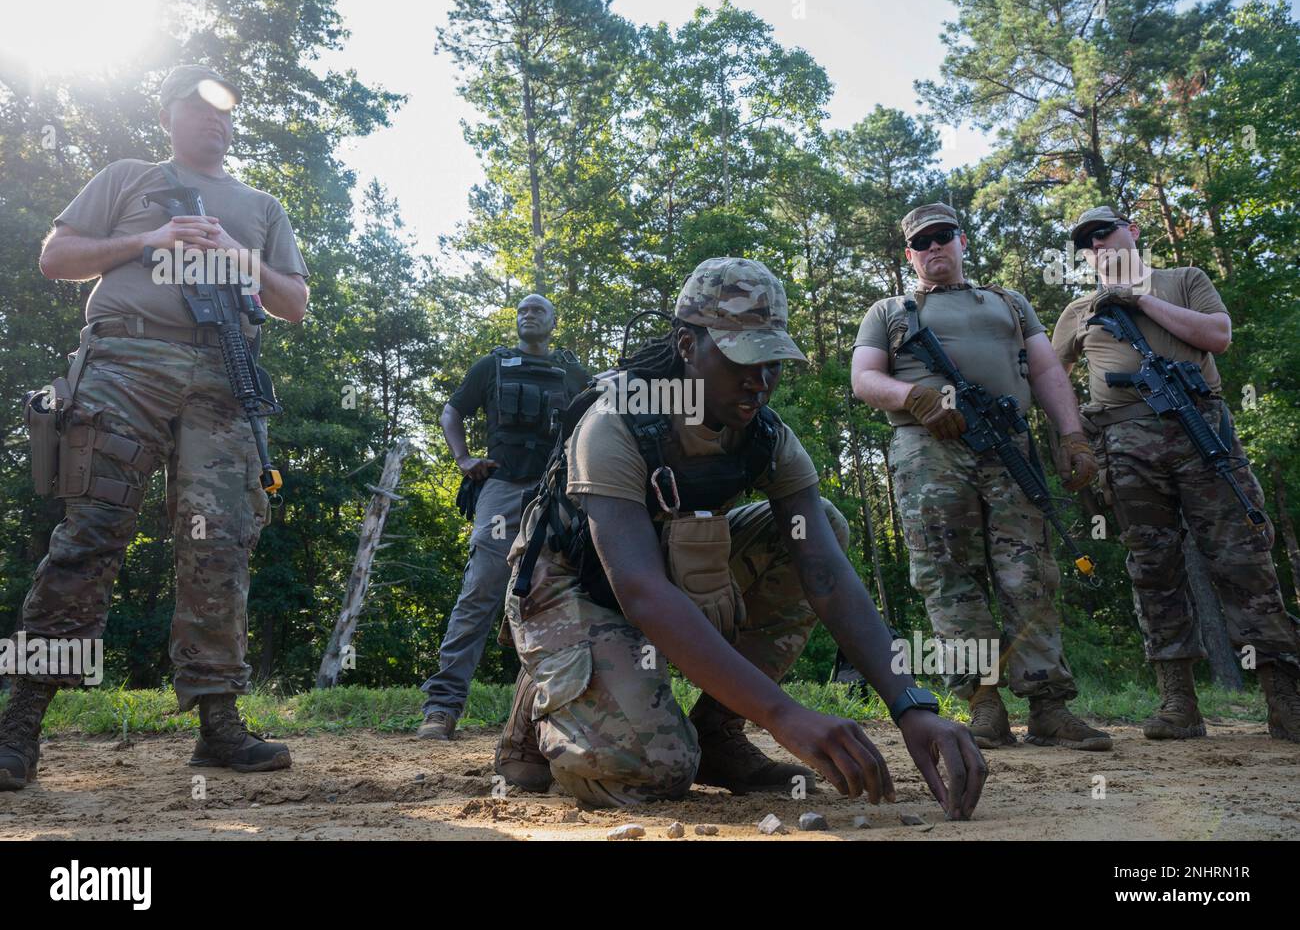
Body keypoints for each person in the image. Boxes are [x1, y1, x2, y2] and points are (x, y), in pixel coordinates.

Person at [493, 256, 986, 819]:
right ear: (686, 347)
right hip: (571, 588)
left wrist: (911, 705)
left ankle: (719, 734)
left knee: (823, 521)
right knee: (650, 771)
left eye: (772, 361)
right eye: (741, 360)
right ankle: (542, 694)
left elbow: (824, 573)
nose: (760, 381)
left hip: (666, 573)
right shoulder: (616, 423)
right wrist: (784, 715)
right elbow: (639, 591)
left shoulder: (768, 434)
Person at [0, 65, 309, 790]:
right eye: (199, 108)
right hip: (125, 361)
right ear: (168, 114)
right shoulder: (127, 177)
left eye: (227, 111)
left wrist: (241, 259)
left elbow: (294, 302)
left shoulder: (260, 205)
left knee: (219, 542)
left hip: (220, 377)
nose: (216, 121)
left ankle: (218, 723)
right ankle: (20, 721)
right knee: (91, 532)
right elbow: (57, 257)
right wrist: (151, 239)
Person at [851, 203, 1111, 751]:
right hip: (929, 449)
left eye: (943, 237)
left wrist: (1072, 435)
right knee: (947, 573)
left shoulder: (1010, 303)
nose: (933, 248)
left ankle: (1049, 706)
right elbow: (865, 378)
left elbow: (1044, 369)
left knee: (1029, 571)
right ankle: (984, 703)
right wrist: (914, 398)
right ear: (909, 255)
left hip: (1008, 446)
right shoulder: (889, 310)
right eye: (922, 243)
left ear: (961, 241)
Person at [1053, 205, 1300, 743]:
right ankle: (1178, 703)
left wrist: (1140, 300)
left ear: (1132, 232)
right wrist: (1073, 440)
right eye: (1087, 242)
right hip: (1123, 445)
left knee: (1243, 558)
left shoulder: (1184, 280)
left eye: (1105, 232)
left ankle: (1284, 697)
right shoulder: (1078, 309)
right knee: (1152, 568)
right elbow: (1052, 377)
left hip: (1202, 434)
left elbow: (1217, 335)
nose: (1097, 245)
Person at [416, 294, 589, 740]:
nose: (529, 314)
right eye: (522, 310)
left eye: (539, 310)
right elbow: (451, 411)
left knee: (561, 597)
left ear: (554, 321)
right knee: (481, 590)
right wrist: (462, 459)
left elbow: (601, 420)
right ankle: (442, 707)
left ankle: (557, 714)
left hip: (557, 495)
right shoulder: (491, 366)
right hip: (503, 488)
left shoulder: (573, 372)